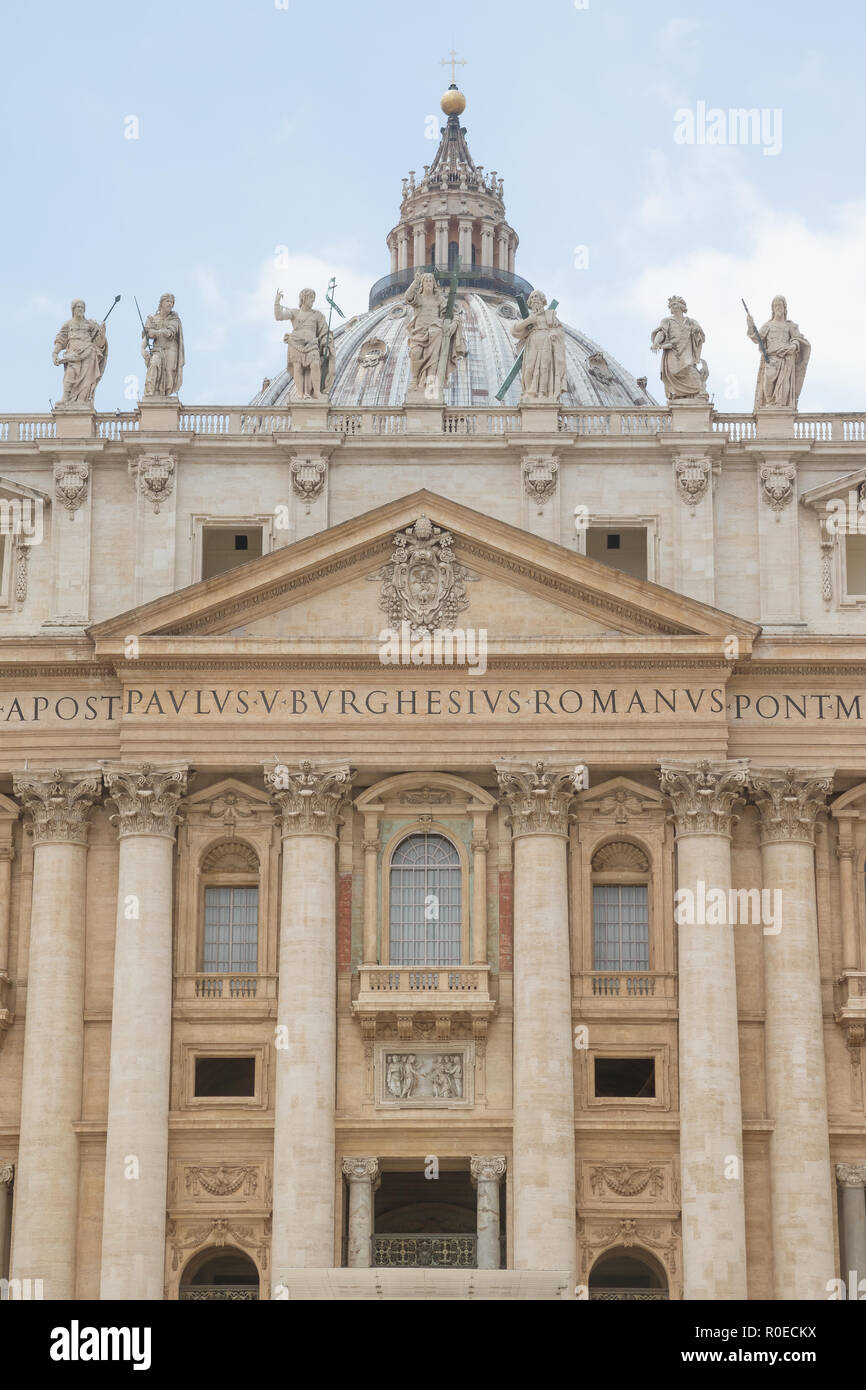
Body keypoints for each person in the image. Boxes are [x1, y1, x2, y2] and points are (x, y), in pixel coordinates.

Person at [746, 296, 810, 408]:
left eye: (780, 305)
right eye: (775, 305)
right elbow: (757, 338)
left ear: (785, 308)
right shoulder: (768, 325)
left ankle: (781, 406)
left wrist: (794, 346)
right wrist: (750, 326)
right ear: (772, 309)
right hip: (771, 358)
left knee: (785, 385)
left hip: (786, 359)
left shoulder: (790, 325)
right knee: (768, 379)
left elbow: (797, 338)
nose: (778, 308)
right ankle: (769, 403)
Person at [274, 287, 335, 400]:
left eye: (314, 298)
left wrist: (326, 343)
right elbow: (279, 316)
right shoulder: (294, 313)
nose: (313, 301)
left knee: (315, 364)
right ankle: (300, 394)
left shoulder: (317, 315)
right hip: (296, 343)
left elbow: (325, 332)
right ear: (304, 298)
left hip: (312, 344)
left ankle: (316, 392)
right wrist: (277, 302)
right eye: (311, 298)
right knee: (298, 368)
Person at [512, 290, 567, 402]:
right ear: (530, 302)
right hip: (533, 342)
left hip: (546, 342)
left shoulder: (550, 315)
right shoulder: (529, 317)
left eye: (537, 297)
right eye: (532, 297)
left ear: (543, 300)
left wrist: (553, 333)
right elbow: (515, 331)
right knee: (529, 368)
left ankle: (542, 393)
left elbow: (559, 330)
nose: (535, 299)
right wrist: (528, 321)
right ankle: (529, 392)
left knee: (544, 368)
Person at [650, 295, 708, 401]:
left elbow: (701, 335)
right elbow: (661, 332)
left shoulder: (691, 321)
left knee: (690, 371)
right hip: (673, 350)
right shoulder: (667, 320)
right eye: (671, 306)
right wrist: (656, 343)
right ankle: (678, 395)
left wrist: (697, 331)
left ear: (681, 306)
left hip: (687, 351)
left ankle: (696, 393)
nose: (672, 307)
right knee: (674, 372)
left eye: (674, 304)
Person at [52, 300, 108, 405]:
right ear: (73, 309)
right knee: (70, 374)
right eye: (78, 307)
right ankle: (66, 398)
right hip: (72, 354)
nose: (80, 309)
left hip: (88, 353)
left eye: (82, 307)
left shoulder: (90, 325)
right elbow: (61, 339)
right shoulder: (68, 324)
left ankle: (82, 401)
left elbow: (99, 343)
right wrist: (55, 353)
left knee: (87, 379)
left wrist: (102, 333)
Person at [142, 293, 184, 398]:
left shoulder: (174, 319)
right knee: (154, 364)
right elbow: (146, 336)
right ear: (161, 303)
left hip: (171, 350)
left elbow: (170, 333)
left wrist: (155, 332)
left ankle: (164, 397)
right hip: (157, 349)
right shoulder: (152, 318)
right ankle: (150, 393)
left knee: (169, 373)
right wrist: (142, 350)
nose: (170, 304)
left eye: (172, 302)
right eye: (168, 301)